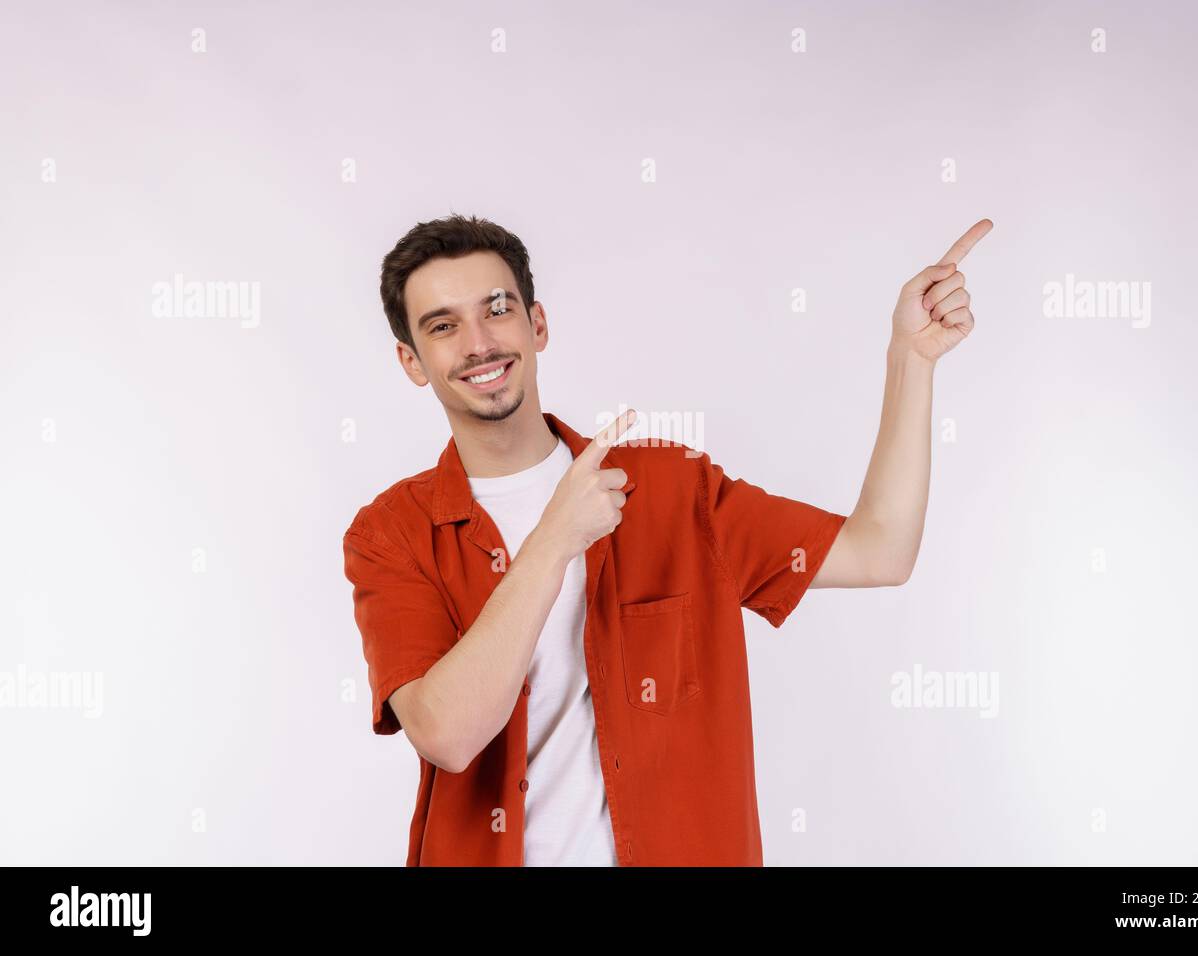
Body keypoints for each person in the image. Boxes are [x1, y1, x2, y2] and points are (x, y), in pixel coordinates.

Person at [342, 213, 992, 866]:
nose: (479, 343)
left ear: (537, 324)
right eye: (444, 326)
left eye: (497, 310)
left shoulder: (673, 491)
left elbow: (882, 550)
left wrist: (910, 360)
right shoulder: (390, 534)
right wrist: (554, 540)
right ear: (412, 361)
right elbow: (448, 736)